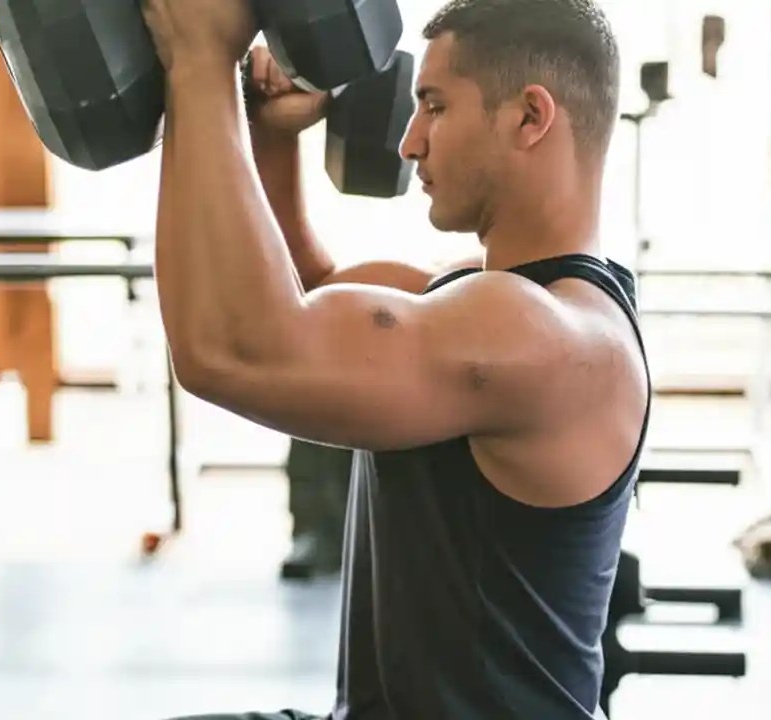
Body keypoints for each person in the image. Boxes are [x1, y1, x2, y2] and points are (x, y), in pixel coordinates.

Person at [140, 0, 650, 717]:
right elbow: (307, 298)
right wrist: (271, 137)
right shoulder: (489, 301)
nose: (410, 143)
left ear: (530, 118)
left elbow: (233, 350)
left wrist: (198, 60)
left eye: (434, 107)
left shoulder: (545, 341)